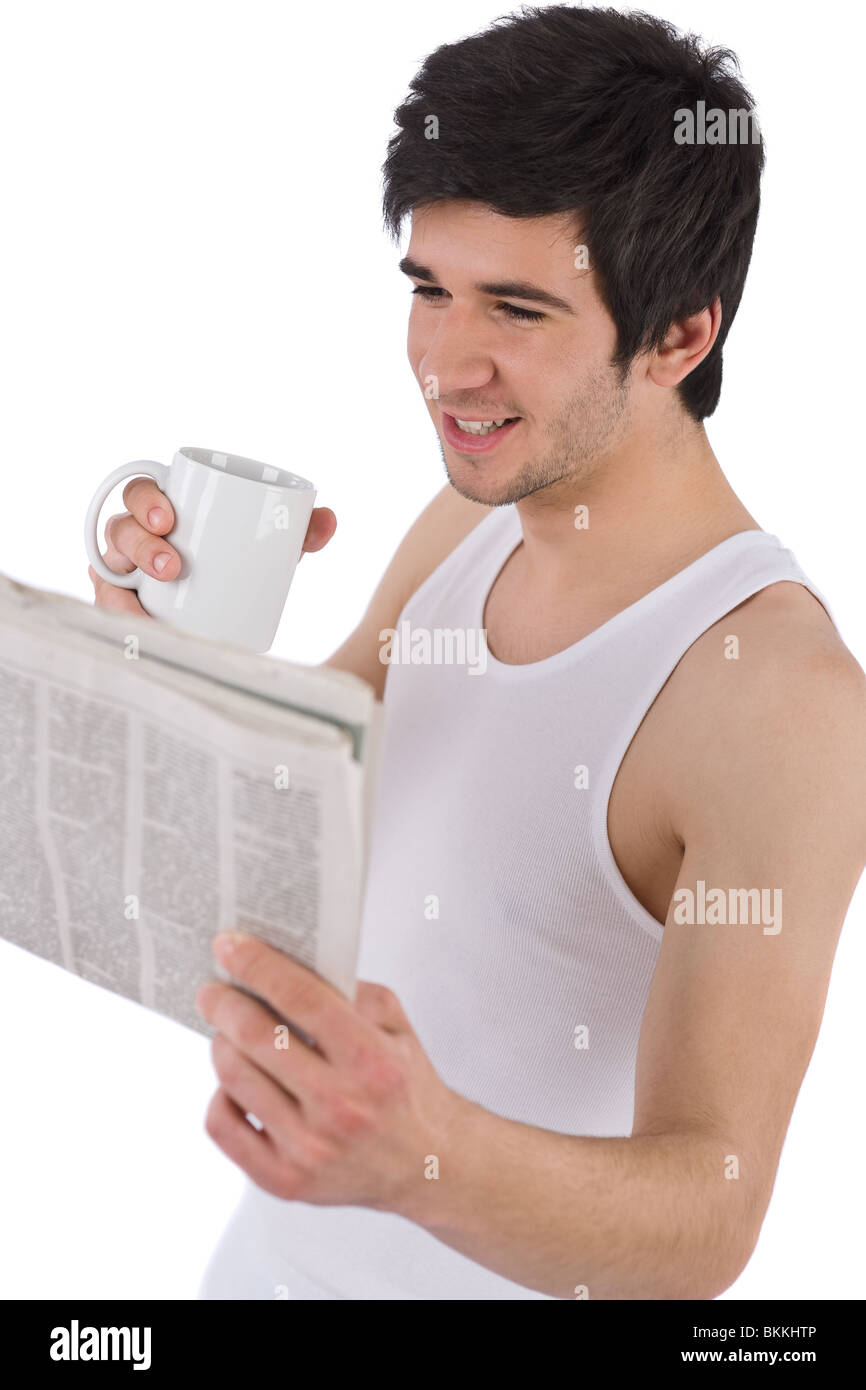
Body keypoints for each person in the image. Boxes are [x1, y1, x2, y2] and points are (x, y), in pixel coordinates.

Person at [89, 5, 866, 1300]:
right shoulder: (472, 517)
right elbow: (309, 773)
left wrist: (423, 1155)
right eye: (428, 290)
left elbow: (711, 1212)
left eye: (514, 306)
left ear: (679, 333)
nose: (444, 364)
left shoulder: (782, 702)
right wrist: (156, 648)